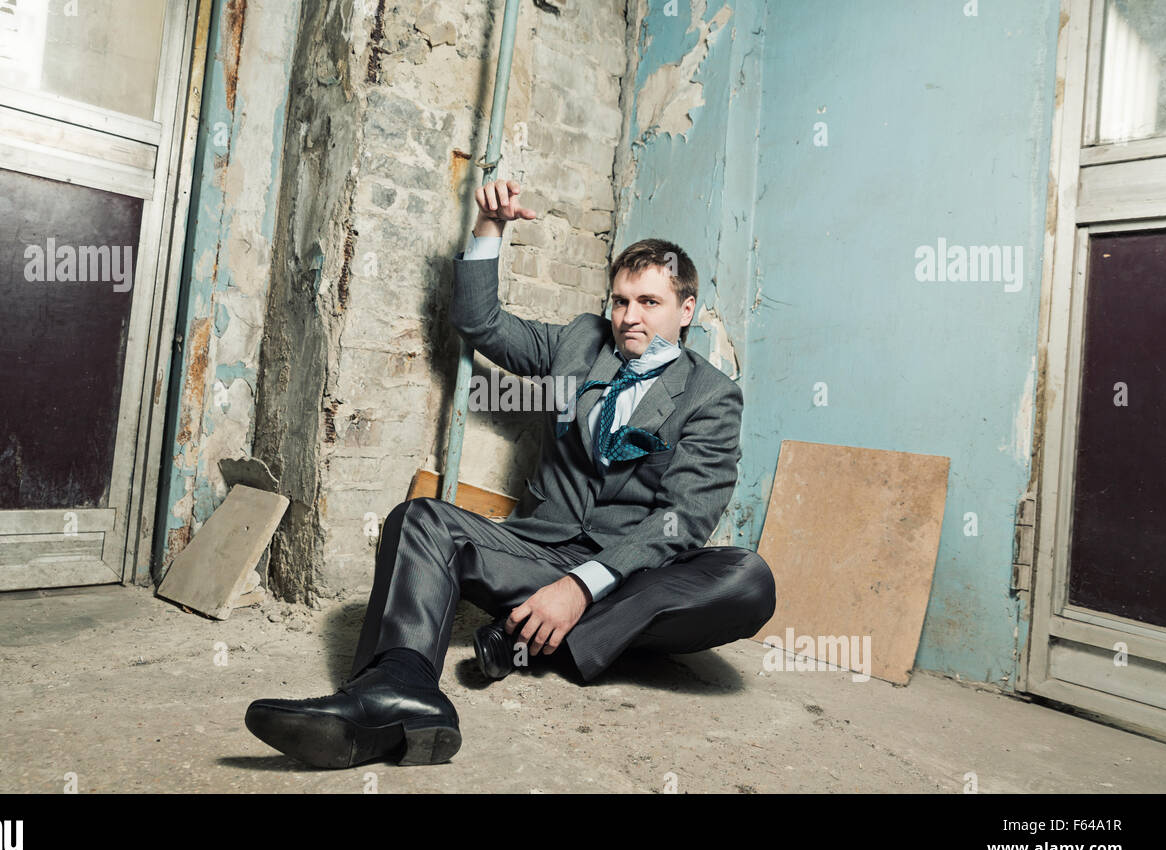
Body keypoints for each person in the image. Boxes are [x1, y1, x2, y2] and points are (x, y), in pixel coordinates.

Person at [244, 180, 776, 769]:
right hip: (539, 551)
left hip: (632, 573)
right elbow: (482, 323)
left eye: (649, 303)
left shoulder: (712, 395)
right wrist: (490, 228)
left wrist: (579, 589)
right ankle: (399, 689)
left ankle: (539, 637)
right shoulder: (581, 342)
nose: (630, 317)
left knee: (748, 578)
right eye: (621, 301)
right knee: (419, 519)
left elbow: (683, 520)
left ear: (686, 310)